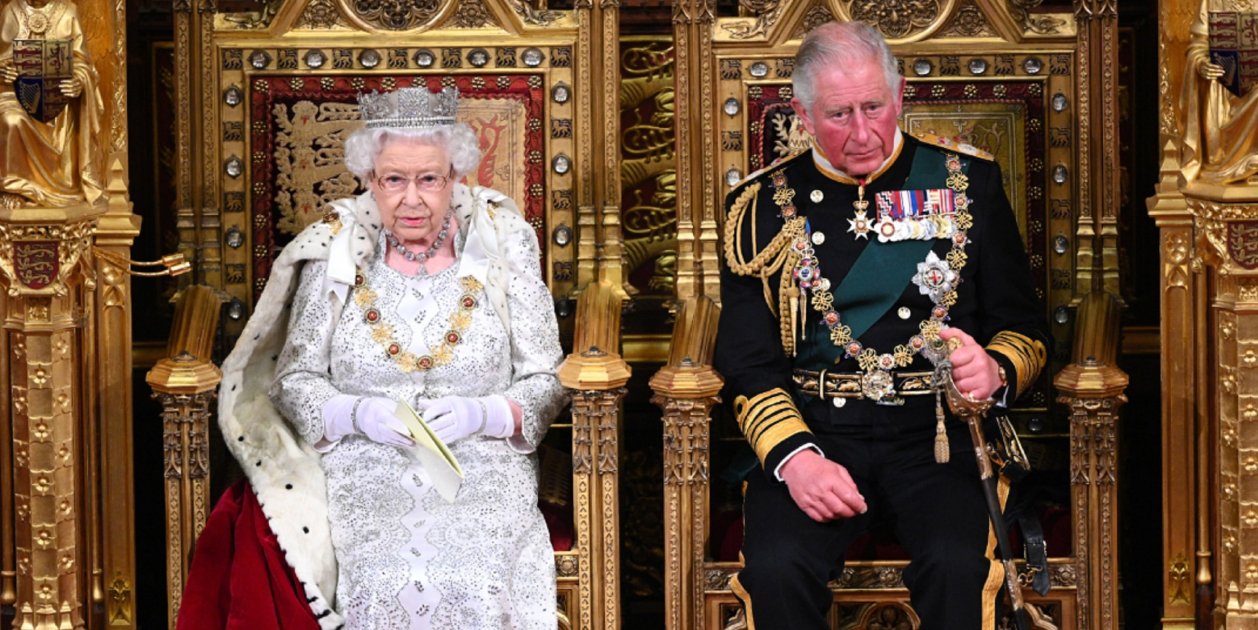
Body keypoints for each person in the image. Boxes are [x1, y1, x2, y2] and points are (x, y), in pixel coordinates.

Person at [182, 86, 567, 628]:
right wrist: (358, 415)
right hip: (365, 464)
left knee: (471, 575)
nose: (412, 198)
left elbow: (545, 378)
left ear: (455, 176)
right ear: (370, 182)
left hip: (482, 465)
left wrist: (483, 415)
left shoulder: (502, 246)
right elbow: (295, 379)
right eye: (394, 180)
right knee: (386, 577)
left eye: (429, 178)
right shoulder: (336, 250)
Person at [714, 21, 1050, 629]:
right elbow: (747, 361)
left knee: (957, 566)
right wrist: (797, 458)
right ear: (804, 114)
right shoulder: (760, 207)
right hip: (818, 431)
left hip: (937, 437)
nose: (863, 133)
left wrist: (993, 368)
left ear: (899, 97)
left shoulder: (967, 184)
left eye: (875, 106)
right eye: (840, 114)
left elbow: (1025, 328)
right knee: (777, 566)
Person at [0, 0, 104, 207]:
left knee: (63, 113)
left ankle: (64, 185)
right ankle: (15, 187)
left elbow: (83, 62)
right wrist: (2, 72)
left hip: (59, 99)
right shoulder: (11, 10)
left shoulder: (68, 11)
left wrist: (78, 81)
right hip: (14, 94)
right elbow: (3, 59)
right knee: (11, 120)